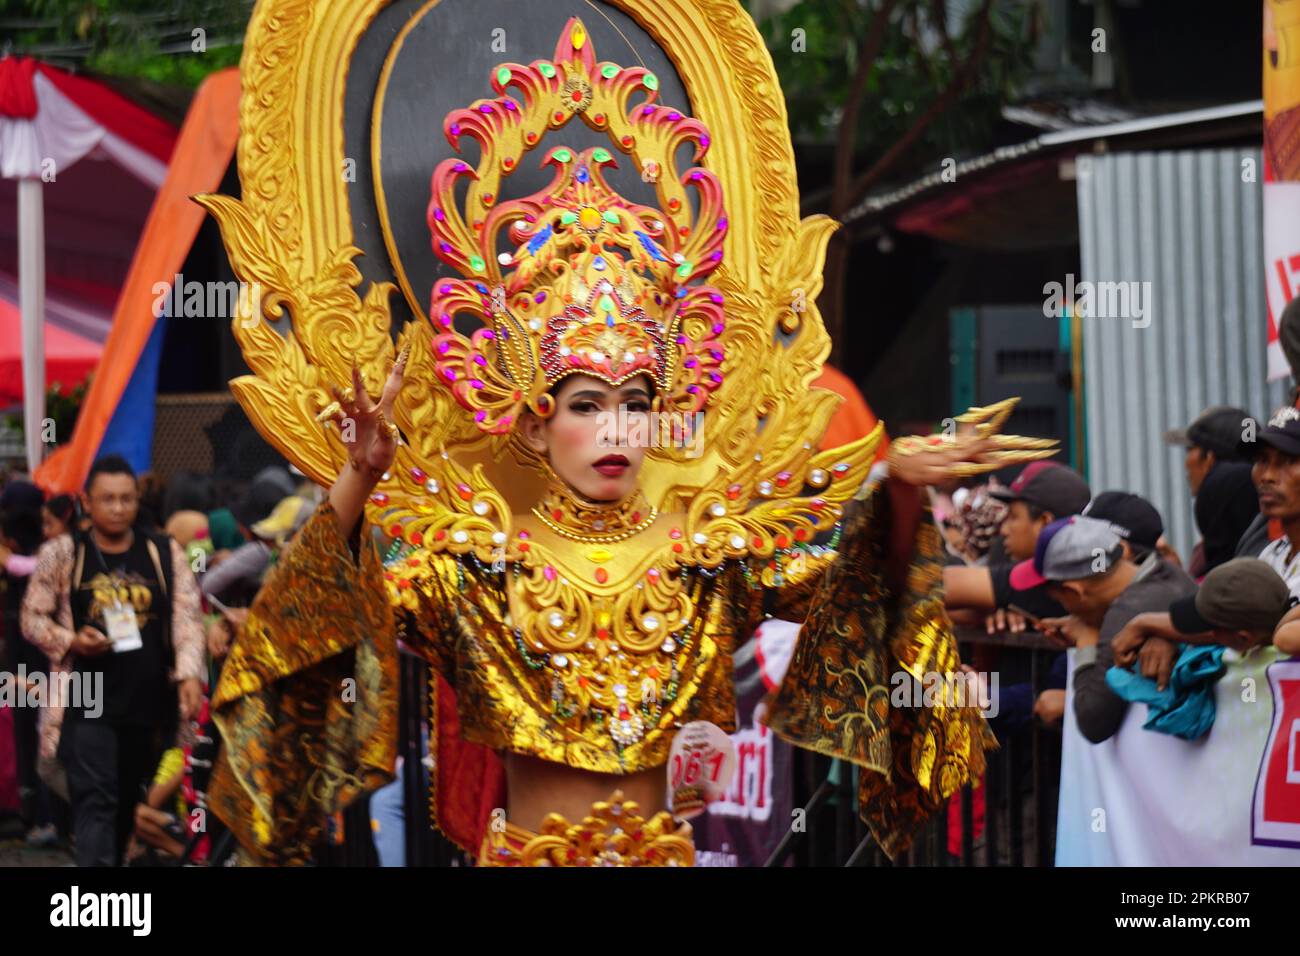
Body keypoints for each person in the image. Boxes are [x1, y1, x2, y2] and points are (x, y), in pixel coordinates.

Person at [203, 23, 1056, 867]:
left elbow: (861, 592)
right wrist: (358, 479)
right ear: (534, 420)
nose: (616, 429)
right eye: (586, 403)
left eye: (635, 403)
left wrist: (900, 486)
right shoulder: (474, 564)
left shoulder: (708, 554)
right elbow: (308, 628)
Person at [20, 454, 207, 866]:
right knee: (97, 796)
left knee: (125, 801)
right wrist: (71, 640)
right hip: (87, 698)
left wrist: (190, 672)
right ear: (87, 501)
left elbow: (188, 617)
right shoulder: (63, 553)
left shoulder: (163, 551)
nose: (118, 508)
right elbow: (31, 617)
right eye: (108, 499)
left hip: (147, 702)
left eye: (126, 498)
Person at [1011, 516, 1195, 744]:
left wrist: (1086, 642)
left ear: (1073, 591)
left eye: (1059, 599)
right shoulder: (1165, 569)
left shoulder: (1126, 614)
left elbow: (1093, 722)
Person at [943, 461, 1091, 633]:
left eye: (1013, 517)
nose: (1004, 529)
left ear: (1044, 523)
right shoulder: (1085, 559)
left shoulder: (1051, 573)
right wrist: (991, 608)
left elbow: (941, 587)